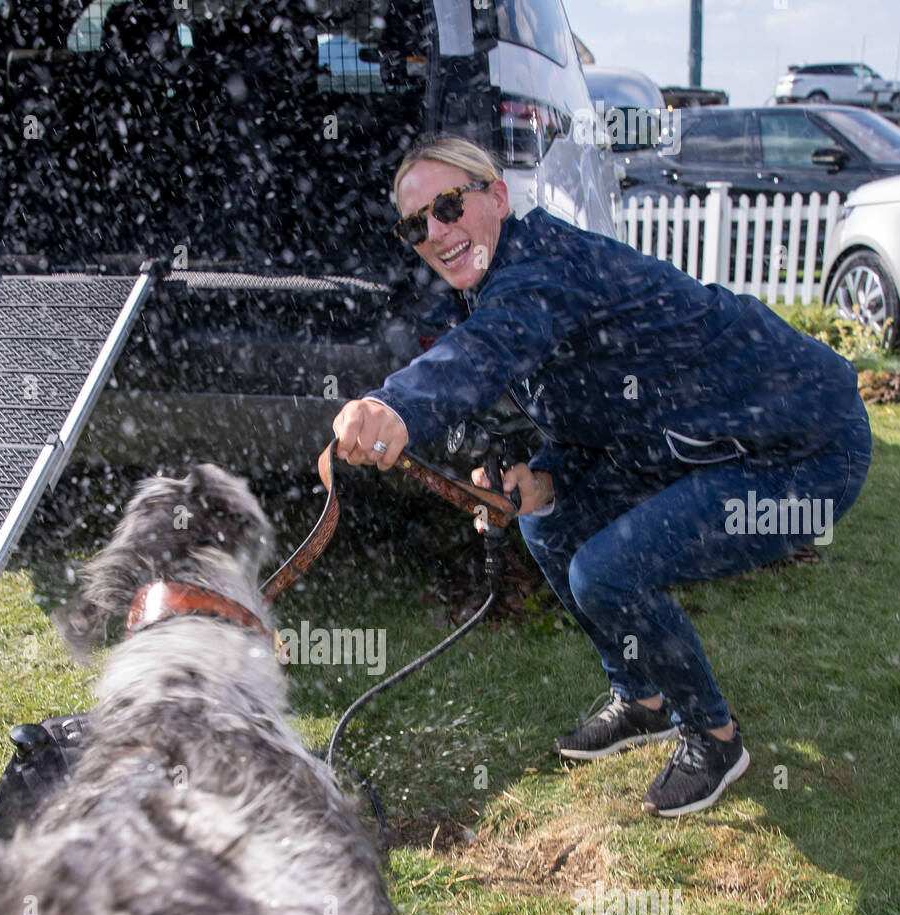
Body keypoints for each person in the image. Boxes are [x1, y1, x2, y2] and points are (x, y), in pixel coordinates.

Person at [331, 136, 872, 817]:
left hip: (801, 448)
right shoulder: (497, 283)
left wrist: (393, 404)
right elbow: (593, 411)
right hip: (692, 445)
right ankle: (642, 700)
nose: (436, 232)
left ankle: (712, 737)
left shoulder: (544, 267)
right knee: (546, 527)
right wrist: (543, 476)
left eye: (447, 205)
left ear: (496, 195)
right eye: (417, 225)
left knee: (607, 571)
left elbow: (490, 349)